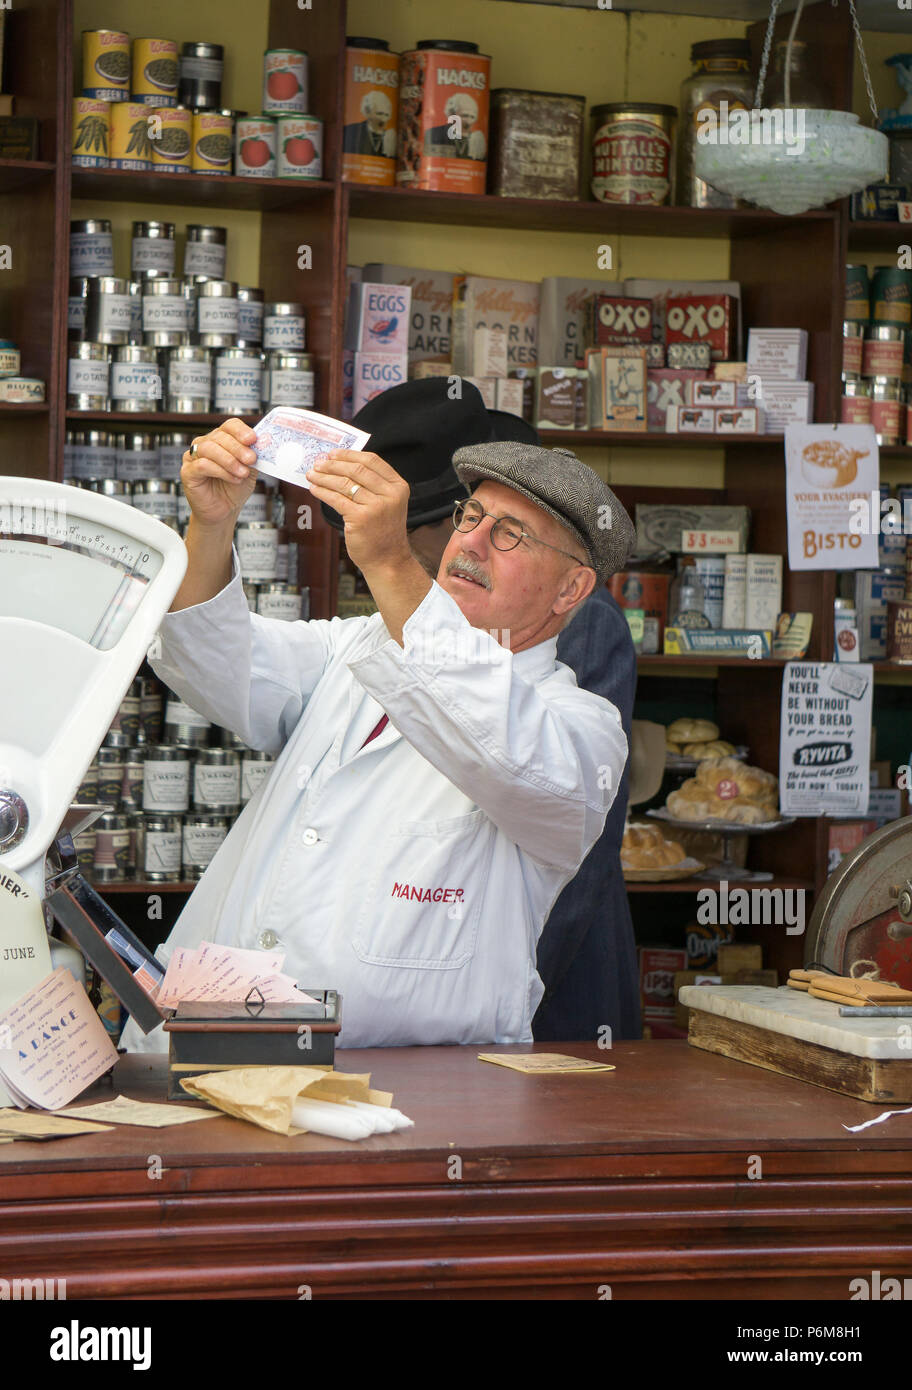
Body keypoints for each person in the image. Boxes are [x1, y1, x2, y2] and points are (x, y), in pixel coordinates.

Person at [120, 395, 635, 1054]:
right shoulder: (356, 645)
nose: (471, 542)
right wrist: (211, 525)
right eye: (471, 515)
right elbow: (212, 659)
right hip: (205, 1051)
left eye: (510, 533)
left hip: (404, 1101)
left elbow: (497, 740)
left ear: (571, 590)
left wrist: (391, 562)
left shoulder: (580, 729)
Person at [331, 382, 640, 1043]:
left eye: (404, 530)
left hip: (547, 982)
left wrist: (514, 998)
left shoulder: (581, 623)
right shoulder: (441, 610)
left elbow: (572, 816)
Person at [426, 94, 486, 160]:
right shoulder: (434, 133)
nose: (469, 121)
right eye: (465, 116)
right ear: (452, 114)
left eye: (472, 117)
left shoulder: (476, 140)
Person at [342, 90, 396, 158]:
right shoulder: (351, 131)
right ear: (367, 112)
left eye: (387, 115)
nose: (383, 119)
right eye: (380, 114)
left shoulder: (391, 138)